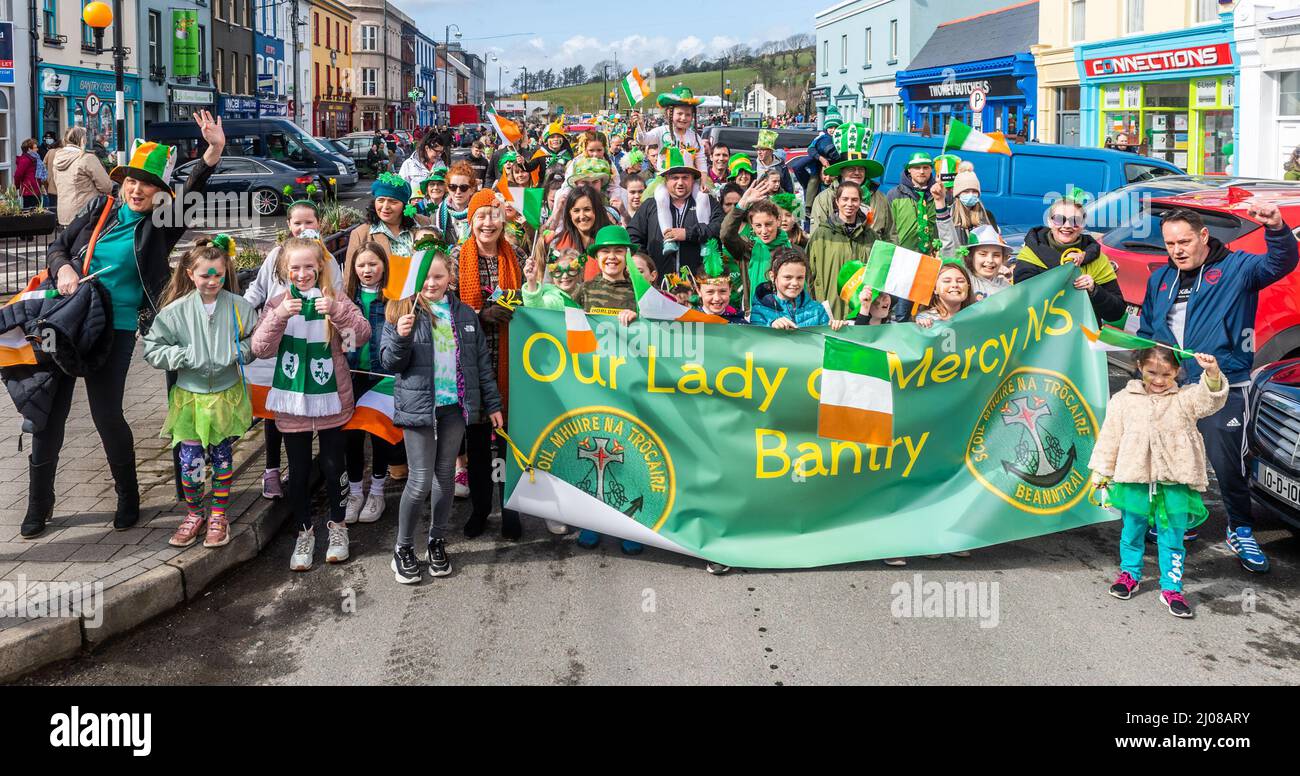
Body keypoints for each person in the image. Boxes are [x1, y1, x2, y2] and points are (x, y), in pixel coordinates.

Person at [20, 115, 226, 541]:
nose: (136, 189)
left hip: (114, 328)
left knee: (107, 414)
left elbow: (193, 191)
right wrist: (61, 270)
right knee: (47, 416)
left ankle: (128, 497)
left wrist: (211, 153)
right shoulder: (102, 208)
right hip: (66, 318)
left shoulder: (160, 225)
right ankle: (39, 505)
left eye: (147, 183)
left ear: (160, 193)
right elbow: (58, 245)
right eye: (131, 180)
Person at [1137, 204, 1298, 573]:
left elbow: (1281, 262)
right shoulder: (1160, 279)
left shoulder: (1238, 269)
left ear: (1203, 237)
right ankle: (1182, 520)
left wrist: (1275, 226)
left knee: (1227, 464)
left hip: (1221, 385)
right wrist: (1148, 373)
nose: (1177, 250)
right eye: (1170, 243)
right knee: (1172, 457)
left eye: (1184, 241)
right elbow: (1148, 329)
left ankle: (1240, 527)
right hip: (1173, 387)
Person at [251, 237, 371, 571]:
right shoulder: (277, 302)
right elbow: (260, 349)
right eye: (295, 268)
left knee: (334, 466)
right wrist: (278, 317)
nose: (302, 274)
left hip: (332, 400)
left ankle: (338, 527)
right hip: (292, 404)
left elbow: (359, 336)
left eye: (308, 267)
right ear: (285, 270)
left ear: (320, 267)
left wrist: (336, 311)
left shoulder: (335, 298)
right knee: (300, 471)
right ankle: (304, 532)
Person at [382, 247, 502, 583]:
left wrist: (492, 404)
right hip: (420, 410)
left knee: (445, 478)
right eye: (425, 278)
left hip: (454, 409)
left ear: (450, 277)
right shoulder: (401, 311)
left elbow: (480, 364)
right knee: (419, 481)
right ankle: (403, 548)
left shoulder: (464, 314)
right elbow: (391, 362)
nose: (431, 283)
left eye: (438, 276)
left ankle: (436, 540)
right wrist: (403, 337)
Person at [1090, 347, 1226, 618]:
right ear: (1140, 366)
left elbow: (1210, 401)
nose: (1159, 380)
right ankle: (1129, 574)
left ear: (1177, 371)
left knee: (1173, 537)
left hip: (1174, 480)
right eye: (1152, 372)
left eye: (1167, 373)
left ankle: (1172, 587)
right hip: (1135, 478)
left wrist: (1211, 373)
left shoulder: (1186, 398)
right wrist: (1102, 473)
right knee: (1132, 531)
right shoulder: (1123, 400)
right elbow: (1110, 437)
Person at [142, 237, 256, 549]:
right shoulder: (175, 311)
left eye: (218, 274)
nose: (212, 281)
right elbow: (152, 350)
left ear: (226, 272)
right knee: (190, 462)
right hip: (189, 397)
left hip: (224, 395)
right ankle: (195, 513)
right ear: (191, 273)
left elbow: (255, 341)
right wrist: (183, 356)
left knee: (221, 459)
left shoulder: (239, 307)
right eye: (205, 275)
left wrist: (237, 351)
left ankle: (219, 515)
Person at [243, 202, 341, 499]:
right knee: (275, 411)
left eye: (308, 222)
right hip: (279, 340)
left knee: (305, 410)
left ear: (319, 223)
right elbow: (257, 290)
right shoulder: (276, 255)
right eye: (297, 223)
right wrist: (240, 316)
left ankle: (296, 468)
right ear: (289, 225)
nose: (303, 228)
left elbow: (337, 296)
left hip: (312, 343)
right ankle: (271, 469)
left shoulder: (327, 261)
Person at [456, 190, 524, 541]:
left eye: (493, 215)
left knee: (511, 442)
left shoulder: (517, 256)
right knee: (479, 442)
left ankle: (512, 509)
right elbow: (447, 308)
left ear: (503, 219)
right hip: (473, 364)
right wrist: (479, 314)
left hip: (511, 362)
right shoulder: (457, 258)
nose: (487, 223)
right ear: (471, 220)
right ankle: (481, 509)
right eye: (480, 216)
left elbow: (533, 299)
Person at [571, 226, 642, 554]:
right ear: (596, 257)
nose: (612, 257)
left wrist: (638, 314)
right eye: (605, 252)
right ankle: (591, 521)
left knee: (628, 455)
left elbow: (659, 327)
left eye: (618, 251)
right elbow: (565, 328)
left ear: (626, 256)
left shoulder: (639, 290)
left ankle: (629, 522)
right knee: (594, 455)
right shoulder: (585, 290)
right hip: (595, 384)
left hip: (630, 385)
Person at [342, 240, 394, 525]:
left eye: (373, 264)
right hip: (353, 376)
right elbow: (345, 337)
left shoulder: (392, 299)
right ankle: (354, 492)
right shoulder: (347, 300)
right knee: (351, 436)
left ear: (384, 266)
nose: (367, 270)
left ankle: (377, 491)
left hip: (382, 377)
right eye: (361, 265)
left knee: (378, 435)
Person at [1015, 195, 1126, 325]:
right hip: (1041, 337)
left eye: (1075, 221)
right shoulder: (1030, 255)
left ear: (1083, 224)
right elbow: (1022, 303)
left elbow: (1116, 312)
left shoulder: (1098, 259)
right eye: (1059, 219)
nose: (1067, 226)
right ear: (1049, 221)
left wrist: (1094, 290)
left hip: (1083, 338)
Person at [628, 147, 720, 275]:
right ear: (666, 180)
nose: (680, 183)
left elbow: (719, 227)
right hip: (659, 284)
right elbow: (633, 236)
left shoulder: (708, 202)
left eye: (685, 177)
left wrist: (688, 234)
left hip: (698, 285)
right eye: (675, 178)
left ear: (693, 179)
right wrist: (647, 264)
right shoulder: (650, 205)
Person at [807, 180, 878, 320]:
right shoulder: (821, 235)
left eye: (854, 200)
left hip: (861, 311)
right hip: (829, 310)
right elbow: (809, 274)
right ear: (837, 201)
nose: (850, 204)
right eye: (845, 199)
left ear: (860, 202)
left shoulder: (870, 236)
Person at [808, 123, 890, 239]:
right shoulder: (823, 200)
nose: (857, 172)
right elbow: (816, 240)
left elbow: (890, 235)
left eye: (861, 168)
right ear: (841, 171)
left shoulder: (881, 199)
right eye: (851, 168)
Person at [720, 178, 789, 309]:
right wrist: (742, 204)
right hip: (756, 316)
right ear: (752, 225)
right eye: (758, 225)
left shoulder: (792, 250)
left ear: (778, 220)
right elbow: (726, 234)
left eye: (768, 224)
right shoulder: (747, 249)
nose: (764, 231)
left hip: (788, 315)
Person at [750, 247, 847, 330]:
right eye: (788, 277)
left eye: (800, 277)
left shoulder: (817, 309)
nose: (795, 283)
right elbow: (756, 343)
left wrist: (836, 328)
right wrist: (771, 326)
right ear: (773, 276)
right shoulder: (759, 310)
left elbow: (826, 344)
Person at [538, 184, 614, 280]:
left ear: (597, 210)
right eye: (576, 211)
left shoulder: (612, 242)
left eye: (587, 209)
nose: (582, 216)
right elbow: (548, 281)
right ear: (569, 214)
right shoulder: (556, 245)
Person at [50, 126, 114, 227]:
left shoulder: (57, 159)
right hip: (85, 214)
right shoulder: (87, 159)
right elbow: (106, 186)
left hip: (64, 214)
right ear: (83, 140)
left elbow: (56, 184)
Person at [640, 87, 708, 181]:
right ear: (669, 113)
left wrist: (704, 178)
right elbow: (644, 140)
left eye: (688, 114)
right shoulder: (661, 131)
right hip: (665, 180)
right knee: (660, 195)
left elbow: (700, 159)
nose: (683, 118)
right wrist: (640, 126)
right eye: (679, 113)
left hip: (688, 180)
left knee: (702, 196)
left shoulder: (694, 137)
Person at [935, 170, 999, 253]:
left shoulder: (987, 215)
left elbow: (995, 243)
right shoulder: (947, 216)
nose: (971, 194)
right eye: (966, 191)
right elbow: (939, 243)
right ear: (958, 194)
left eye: (974, 191)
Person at [789, 105, 841, 194]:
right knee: (813, 182)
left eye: (836, 128)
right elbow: (810, 150)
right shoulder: (820, 138)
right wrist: (819, 157)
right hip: (816, 168)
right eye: (830, 127)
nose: (833, 130)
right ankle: (809, 206)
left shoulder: (841, 140)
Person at [915, 260, 977, 328]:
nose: (955, 285)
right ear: (935, 289)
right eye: (947, 281)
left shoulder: (976, 317)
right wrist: (922, 324)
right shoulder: (924, 318)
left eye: (960, 281)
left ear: (968, 287)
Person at [960, 225, 1013, 302]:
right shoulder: (966, 280)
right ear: (971, 256)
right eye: (983, 254)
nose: (990, 260)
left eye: (996, 255)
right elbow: (949, 246)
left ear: (1003, 258)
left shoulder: (1008, 288)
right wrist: (943, 217)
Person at [430, 162, 478, 243]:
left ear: (472, 190)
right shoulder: (436, 216)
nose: (458, 192)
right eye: (453, 187)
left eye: (463, 187)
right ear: (447, 188)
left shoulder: (480, 214)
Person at [522, 121, 573, 185]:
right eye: (552, 137)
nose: (555, 139)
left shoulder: (568, 155)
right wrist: (522, 162)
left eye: (558, 136)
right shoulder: (540, 153)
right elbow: (529, 168)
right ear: (546, 141)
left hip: (561, 191)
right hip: (543, 189)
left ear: (563, 140)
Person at [16, 139, 43, 208]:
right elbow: (18, 175)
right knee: (31, 214)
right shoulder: (25, 159)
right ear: (29, 149)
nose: (37, 149)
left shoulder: (35, 158)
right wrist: (17, 187)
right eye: (35, 148)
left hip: (36, 190)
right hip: (29, 191)